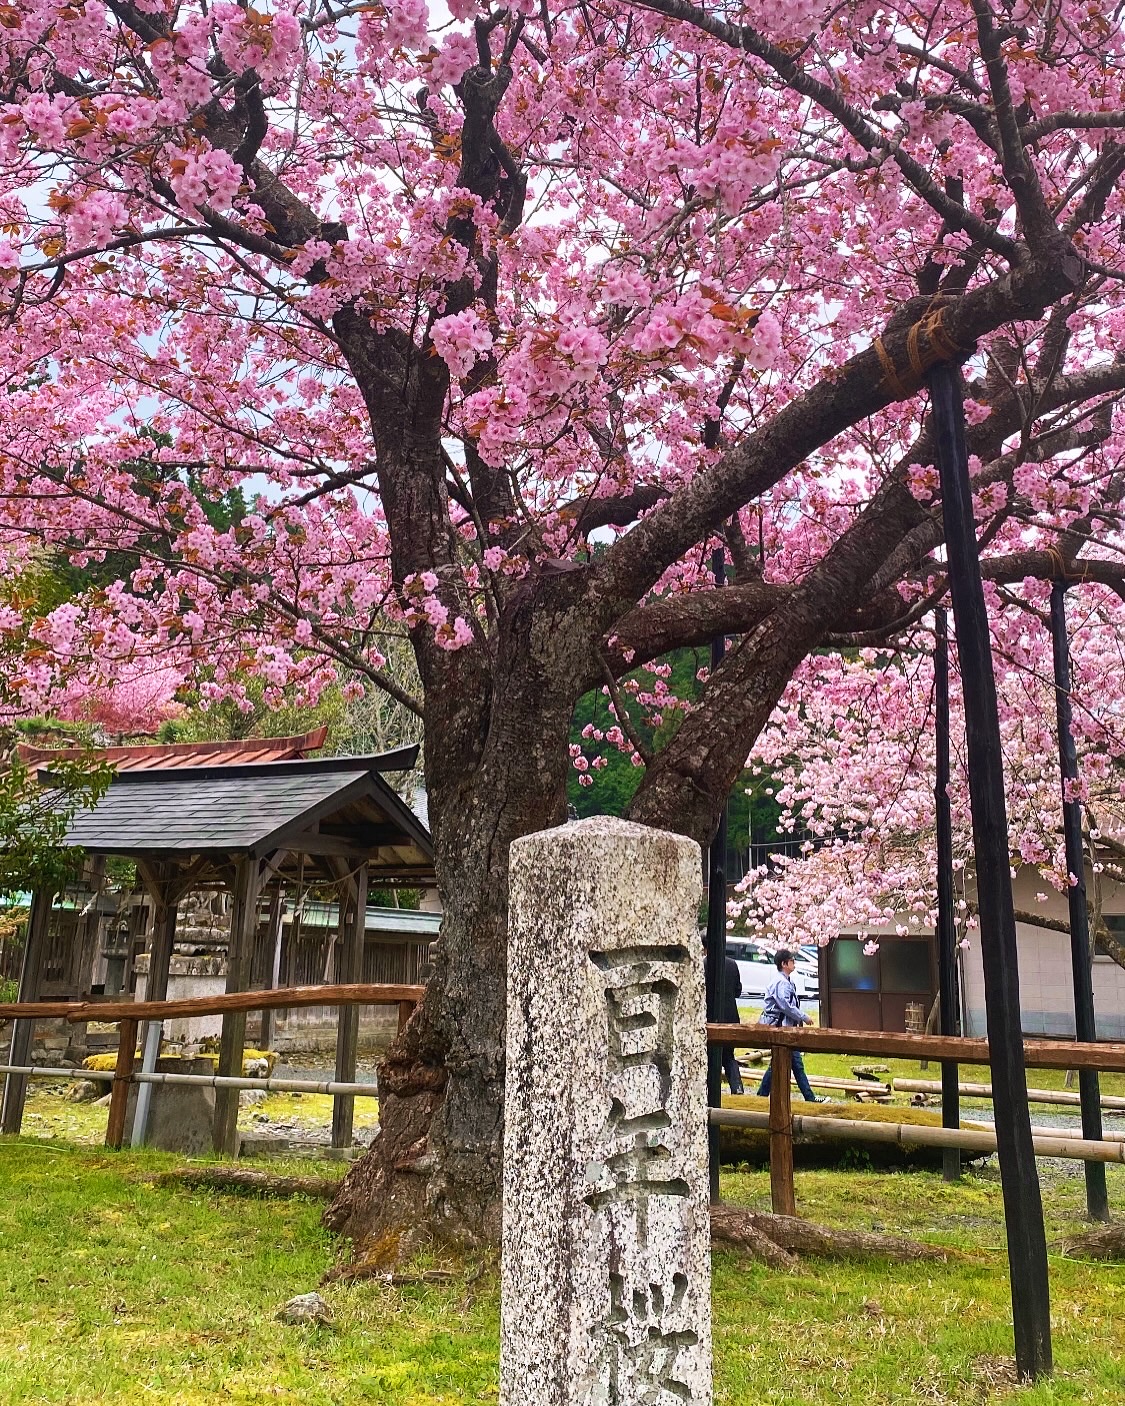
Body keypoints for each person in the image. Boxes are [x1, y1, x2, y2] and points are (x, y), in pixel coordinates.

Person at [755, 948, 825, 1103]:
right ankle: (809, 1097)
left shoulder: (785, 981)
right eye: (792, 960)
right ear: (784, 963)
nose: (794, 963)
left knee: (783, 1064)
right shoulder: (781, 982)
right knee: (791, 1065)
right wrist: (803, 1017)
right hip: (781, 1028)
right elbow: (785, 1006)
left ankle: (762, 1096)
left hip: (784, 1027)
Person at [721, 952, 744, 1095]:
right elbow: (738, 990)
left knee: (712, 1055)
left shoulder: (703, 964)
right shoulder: (732, 964)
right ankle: (737, 1087)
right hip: (731, 1016)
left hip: (710, 1017)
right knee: (729, 1055)